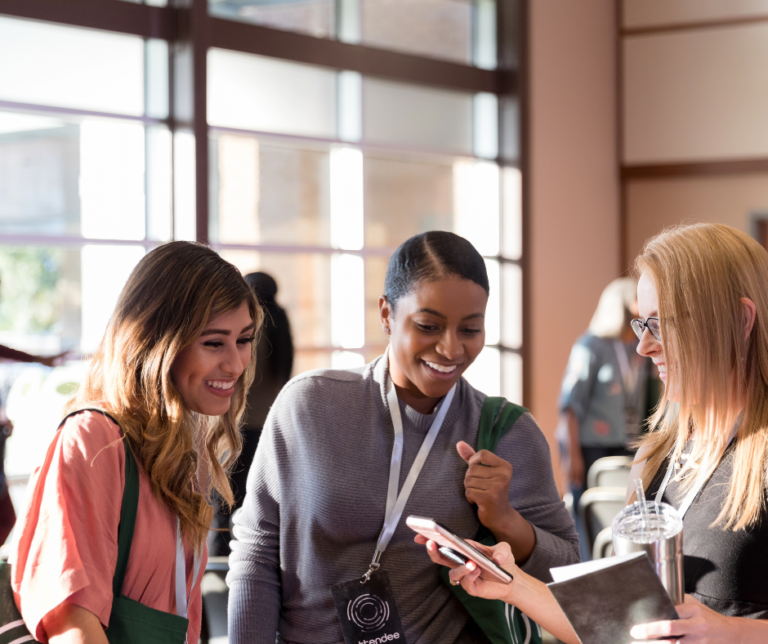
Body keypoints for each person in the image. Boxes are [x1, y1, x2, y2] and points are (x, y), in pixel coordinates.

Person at [419, 223, 768, 643]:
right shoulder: (657, 457)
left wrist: (732, 632)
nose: (644, 347)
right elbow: (617, 624)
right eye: (643, 325)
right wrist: (513, 583)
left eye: (661, 325)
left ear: (741, 319)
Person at [228, 231, 579, 644]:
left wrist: (504, 520)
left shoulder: (507, 432)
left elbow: (567, 575)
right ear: (386, 314)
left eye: (470, 329)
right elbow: (257, 552)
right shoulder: (310, 405)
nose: (451, 349)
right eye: (429, 325)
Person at [10, 241, 261, 643]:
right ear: (156, 341)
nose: (235, 364)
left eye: (244, 340)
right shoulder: (93, 439)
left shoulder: (180, 448)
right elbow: (70, 622)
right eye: (214, 343)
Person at [208, 271, 293, 557]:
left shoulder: (251, 329)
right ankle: (245, 553)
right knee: (253, 495)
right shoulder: (281, 323)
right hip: (268, 423)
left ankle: (222, 556)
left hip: (241, 423)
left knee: (227, 495)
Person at [558, 277, 656, 491]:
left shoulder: (640, 347)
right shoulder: (590, 346)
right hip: (593, 448)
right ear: (621, 303)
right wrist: (571, 456)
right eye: (638, 298)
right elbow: (570, 406)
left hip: (631, 445)